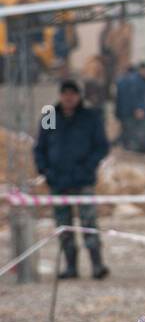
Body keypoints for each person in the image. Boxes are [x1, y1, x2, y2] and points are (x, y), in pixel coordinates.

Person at [34, 80, 110, 280]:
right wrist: (46, 171)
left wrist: (87, 168)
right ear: (60, 95)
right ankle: (70, 267)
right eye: (65, 94)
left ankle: (96, 265)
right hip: (58, 182)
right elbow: (40, 147)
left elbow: (101, 146)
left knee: (88, 223)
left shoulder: (90, 117)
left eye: (72, 94)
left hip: (82, 181)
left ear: (78, 96)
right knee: (63, 225)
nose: (68, 98)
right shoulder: (50, 115)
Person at [115, 62, 145, 153]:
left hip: (141, 113)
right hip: (131, 114)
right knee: (133, 135)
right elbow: (132, 97)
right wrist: (137, 108)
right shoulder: (134, 81)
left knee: (136, 134)